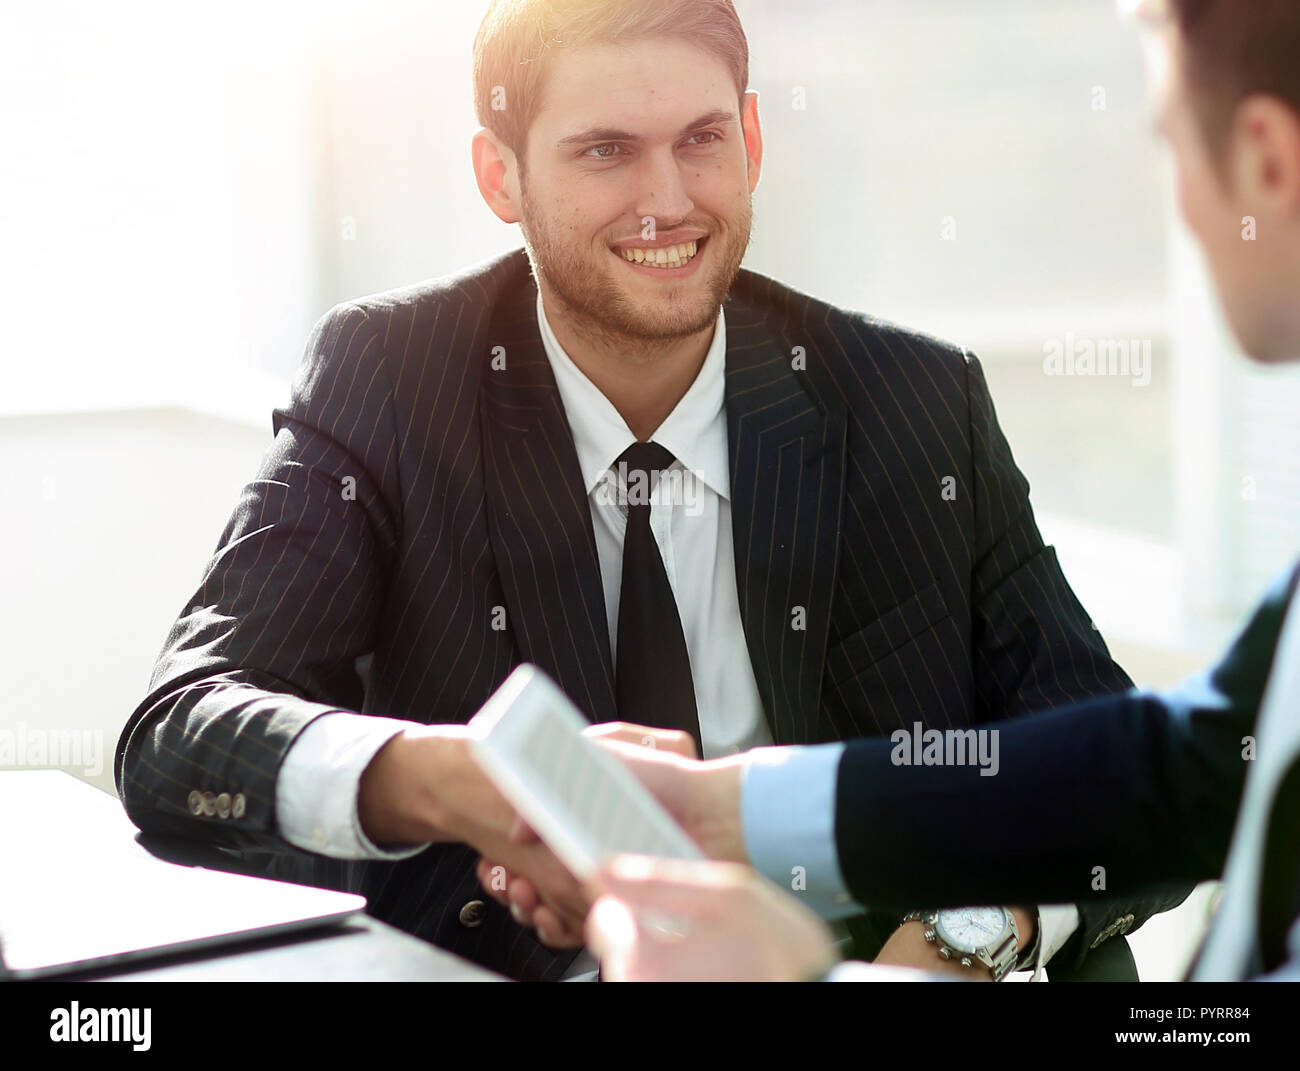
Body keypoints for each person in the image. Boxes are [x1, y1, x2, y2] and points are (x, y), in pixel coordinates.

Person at [113, 0, 1167, 982]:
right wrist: (453, 780)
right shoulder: (389, 378)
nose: (667, 201)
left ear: (751, 143)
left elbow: (1117, 757)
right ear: (500, 178)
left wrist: (961, 935)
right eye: (605, 150)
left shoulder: (912, 398)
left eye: (701, 140)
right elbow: (178, 735)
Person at [488, 0, 1300, 982]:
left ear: (1267, 163)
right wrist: (718, 808)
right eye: (606, 151)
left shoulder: (913, 398)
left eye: (1169, 147)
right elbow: (1174, 770)